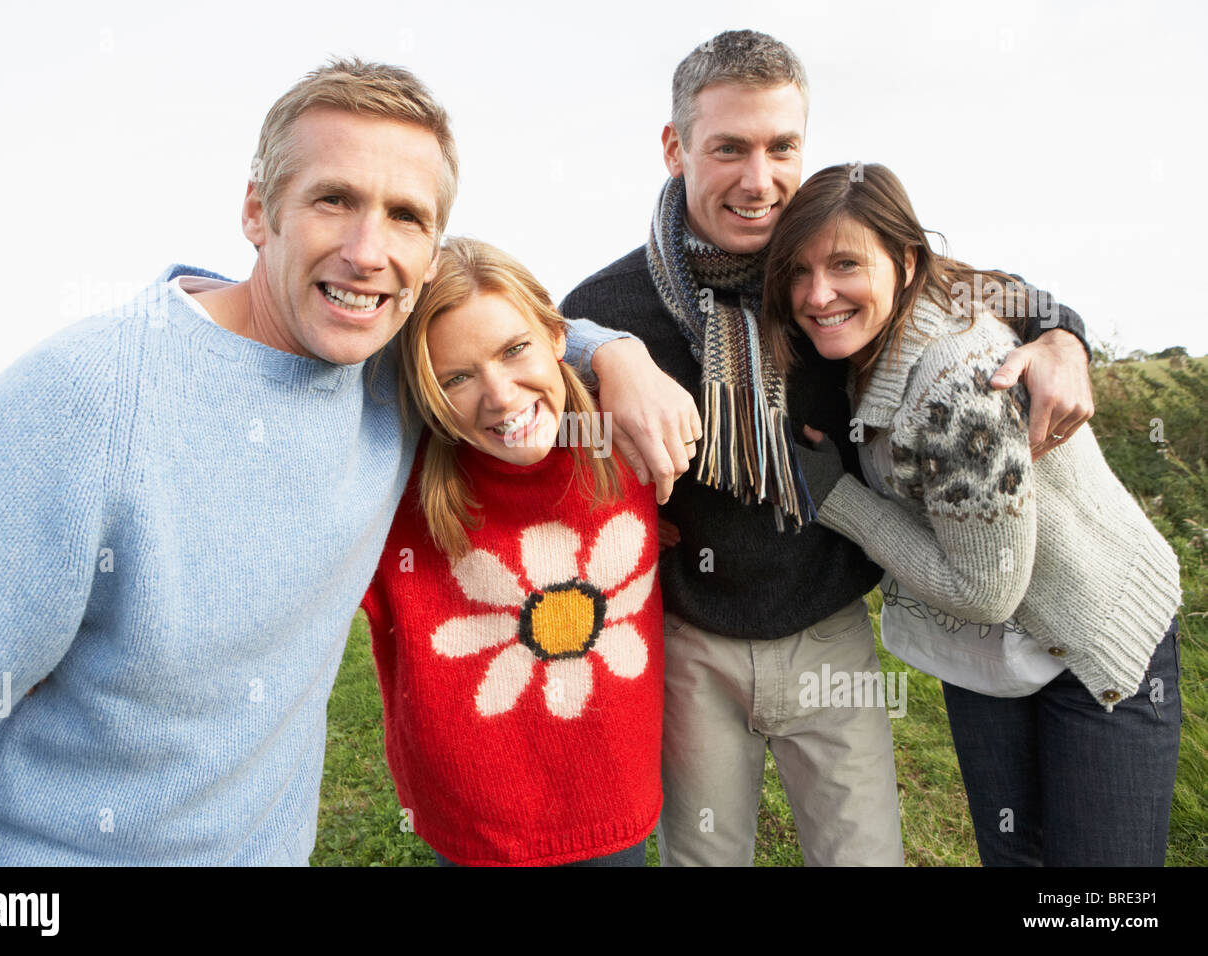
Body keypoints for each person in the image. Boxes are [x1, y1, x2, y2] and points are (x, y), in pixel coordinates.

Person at [0, 59, 696, 866]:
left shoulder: (390, 378)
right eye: (333, 200)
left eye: (404, 216)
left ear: (430, 251)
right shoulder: (79, 403)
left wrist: (619, 355)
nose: (366, 251)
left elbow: (509, 339)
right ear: (257, 210)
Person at [561, 29, 1098, 866]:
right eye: (728, 148)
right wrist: (594, 345)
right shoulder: (610, 303)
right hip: (688, 638)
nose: (760, 178)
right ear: (675, 149)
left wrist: (1064, 337)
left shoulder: (833, 276)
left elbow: (989, 293)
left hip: (831, 630)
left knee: (863, 857)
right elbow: (509, 352)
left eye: (782, 147)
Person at [765, 162, 1182, 866]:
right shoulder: (873, 335)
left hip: (1092, 635)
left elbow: (985, 592)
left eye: (844, 264)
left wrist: (836, 498)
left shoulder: (960, 384)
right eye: (798, 273)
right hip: (990, 659)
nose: (818, 293)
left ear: (903, 260)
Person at [361, 237, 663, 867]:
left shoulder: (627, 434)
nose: (499, 396)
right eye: (457, 378)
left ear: (557, 336)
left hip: (614, 810)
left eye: (513, 349)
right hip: (475, 831)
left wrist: (616, 350)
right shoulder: (395, 481)